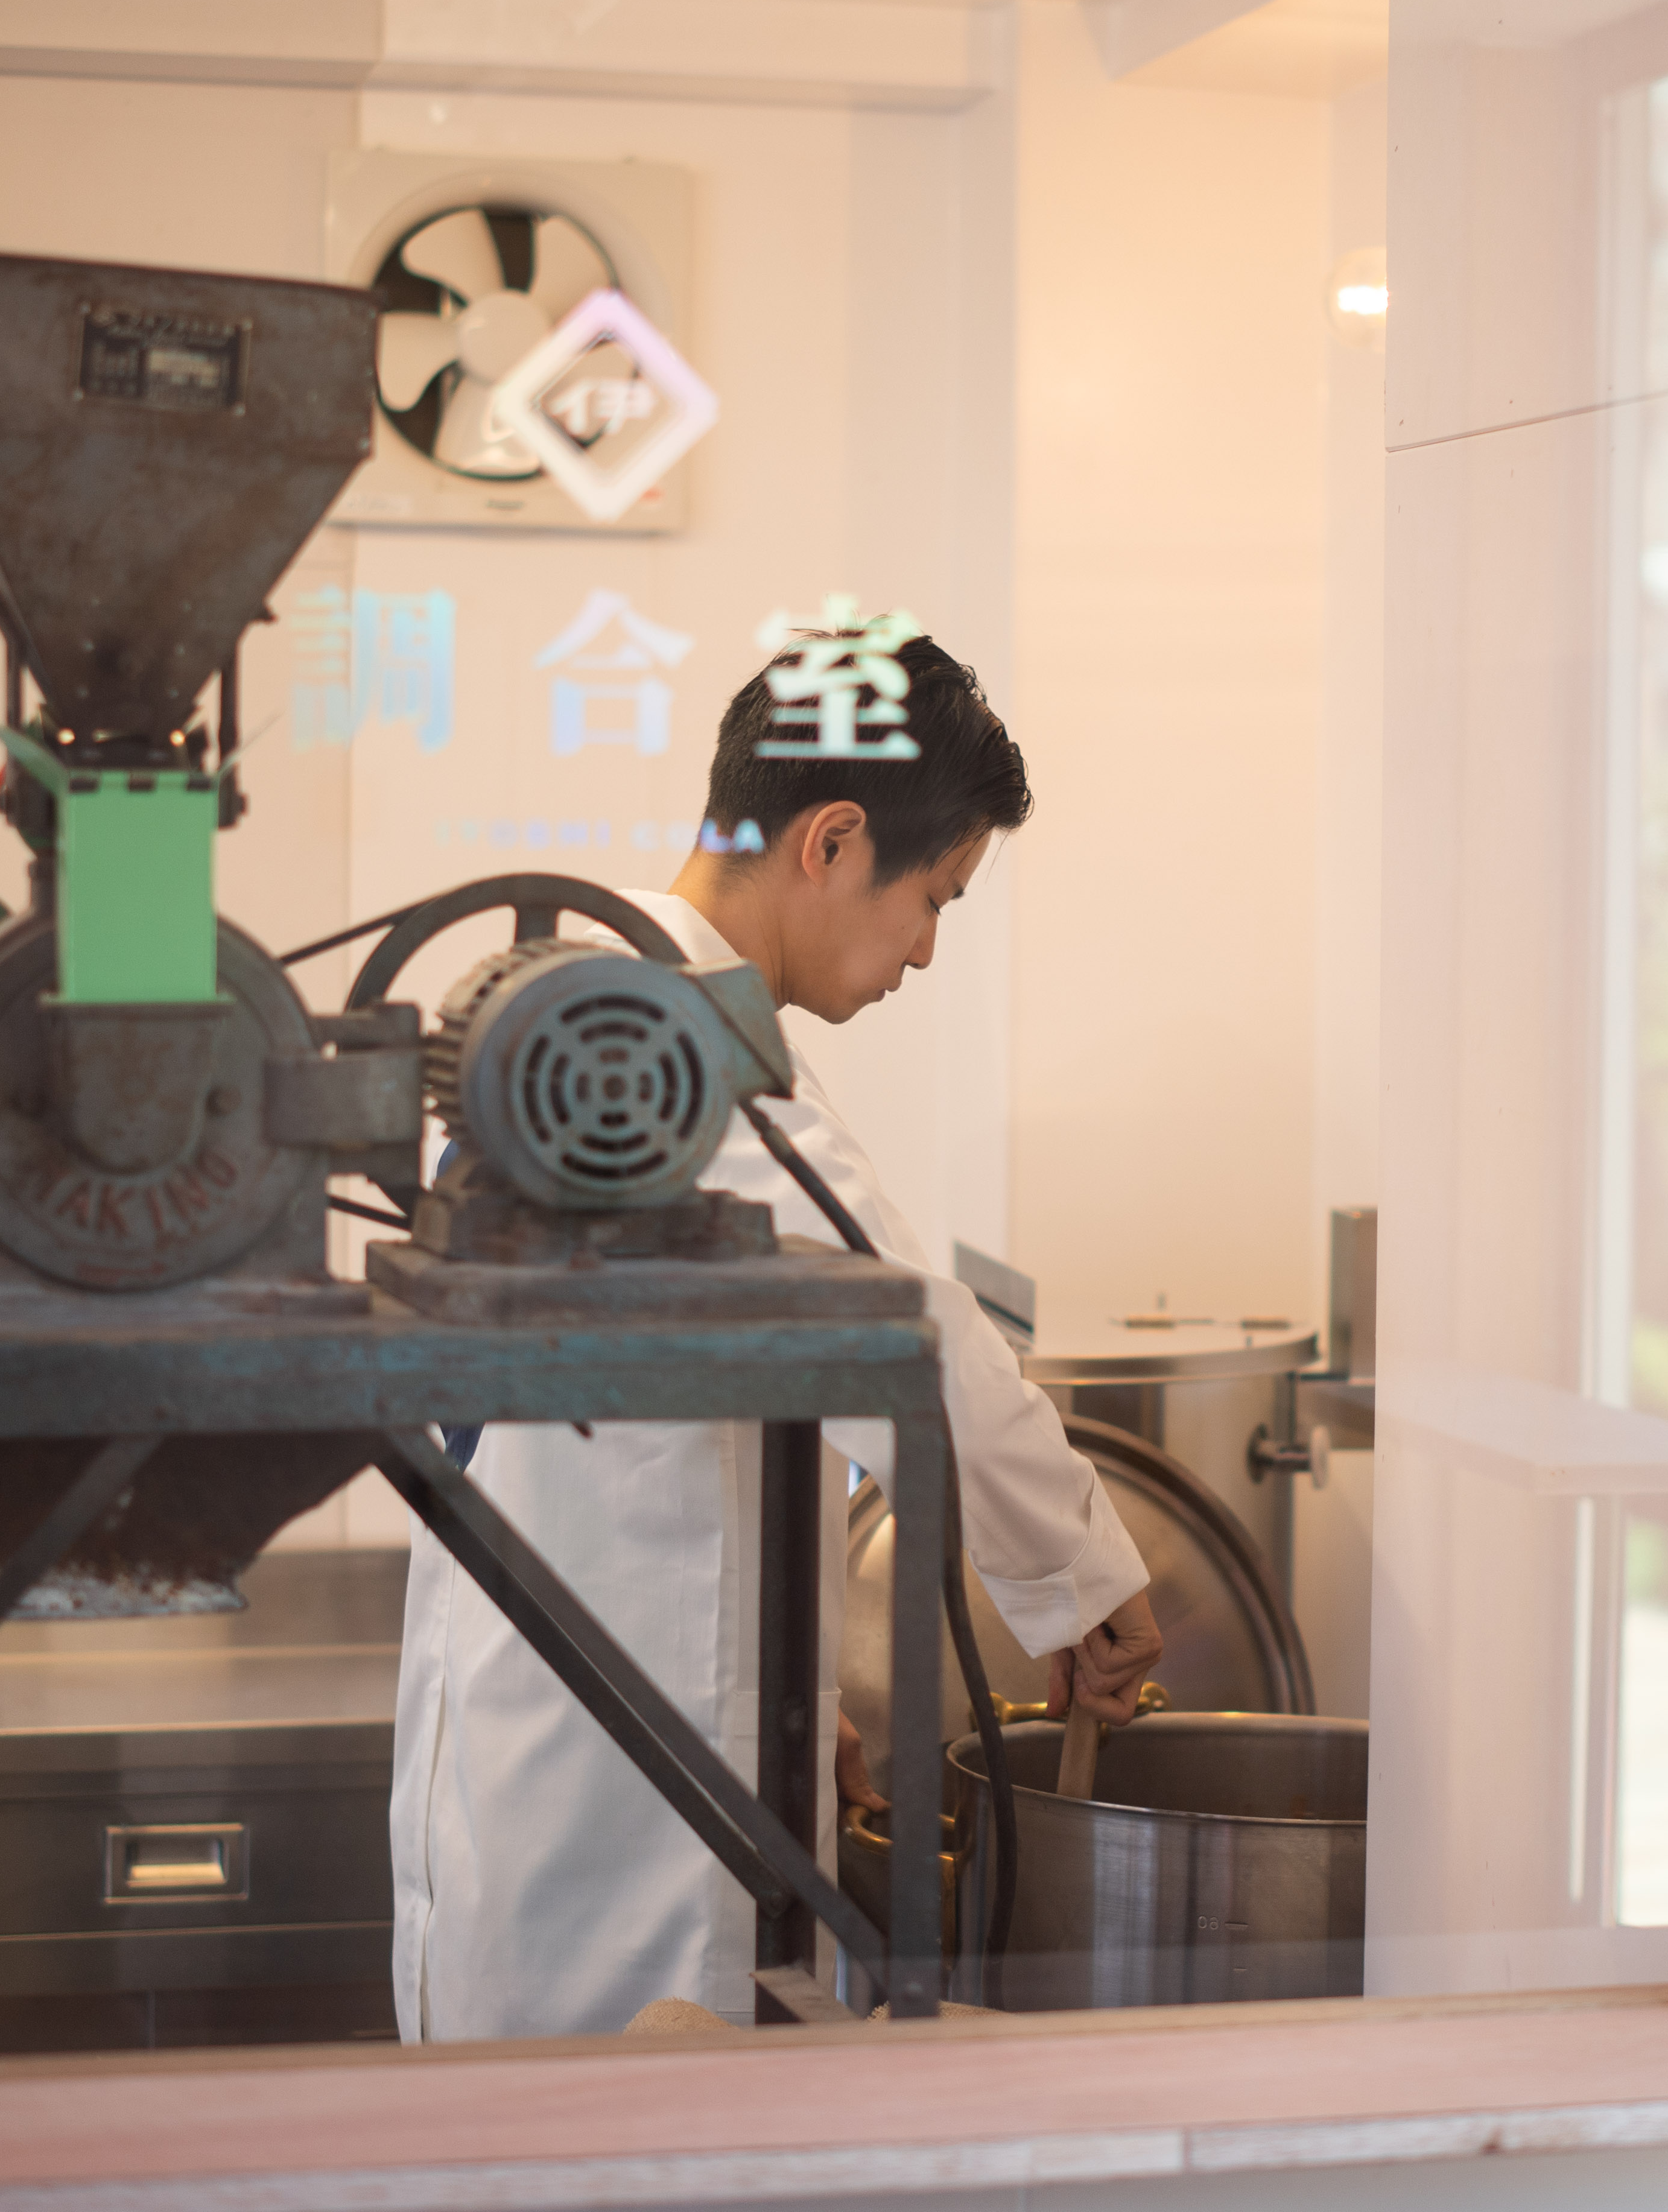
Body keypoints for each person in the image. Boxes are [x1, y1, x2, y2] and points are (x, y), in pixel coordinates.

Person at [390, 629, 1162, 2040]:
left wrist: (789, 1702)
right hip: (613, 1819)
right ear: (832, 838)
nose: (929, 947)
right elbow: (910, 1337)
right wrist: (1083, 1578)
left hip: (549, 1741)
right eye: (935, 896)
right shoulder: (687, 1069)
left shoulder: (563, 1008)